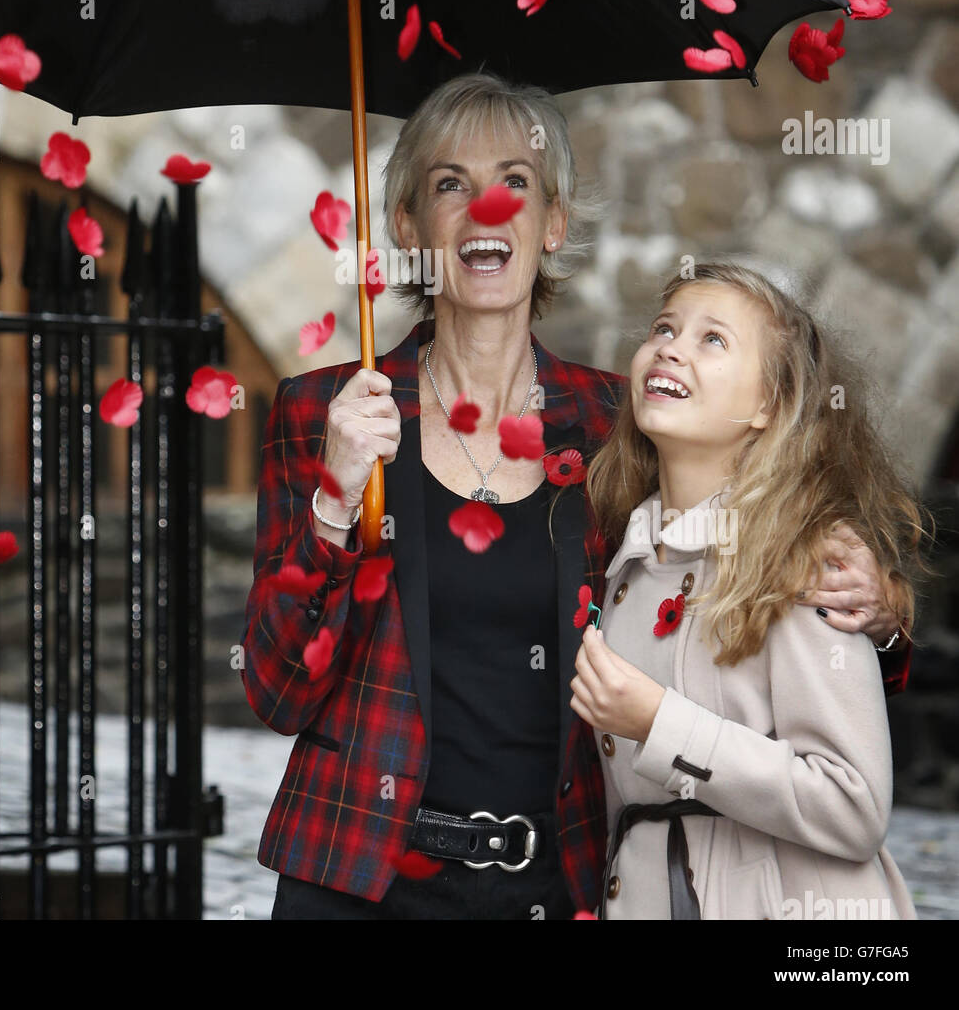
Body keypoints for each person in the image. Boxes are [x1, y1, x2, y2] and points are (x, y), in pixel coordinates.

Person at [241, 72, 912, 921]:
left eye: (515, 183)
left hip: (555, 883)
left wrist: (877, 612)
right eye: (451, 184)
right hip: (353, 882)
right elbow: (274, 691)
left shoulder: (618, 421)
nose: (486, 210)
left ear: (553, 223)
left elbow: (757, 555)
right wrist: (335, 500)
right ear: (408, 226)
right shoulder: (324, 412)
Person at [570, 261, 926, 919]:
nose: (671, 346)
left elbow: (854, 806)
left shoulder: (807, 558)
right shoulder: (624, 563)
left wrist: (660, 723)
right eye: (664, 328)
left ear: (768, 404)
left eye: (713, 339)